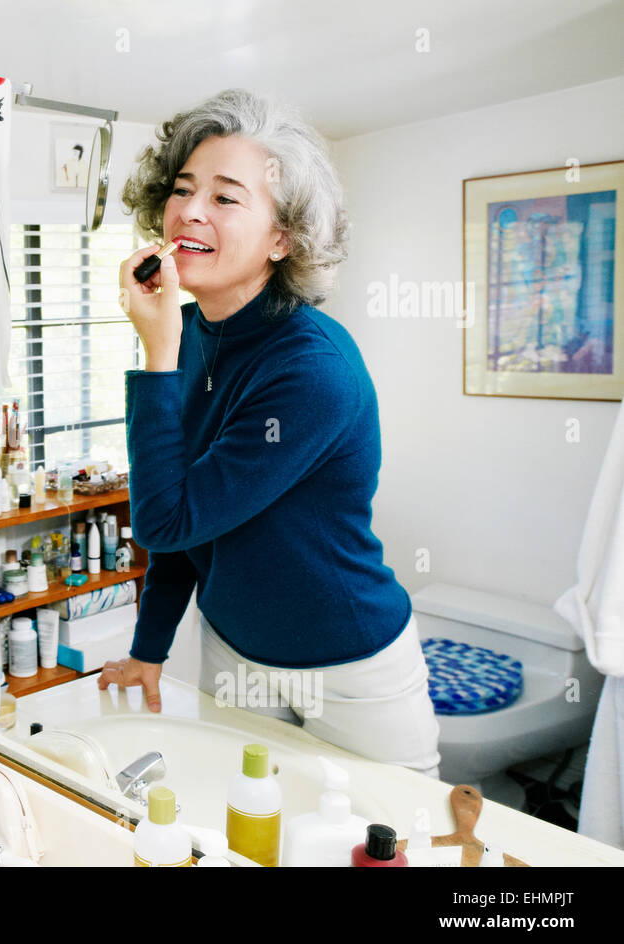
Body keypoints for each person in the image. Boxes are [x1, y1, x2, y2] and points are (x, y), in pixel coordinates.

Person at [97, 88, 440, 777]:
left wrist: (156, 356)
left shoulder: (312, 371)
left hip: (351, 665)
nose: (189, 209)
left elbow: (166, 518)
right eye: (183, 188)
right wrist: (149, 649)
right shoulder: (192, 334)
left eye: (225, 197)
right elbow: (187, 529)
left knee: (395, 844)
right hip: (235, 650)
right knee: (253, 835)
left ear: (282, 238)